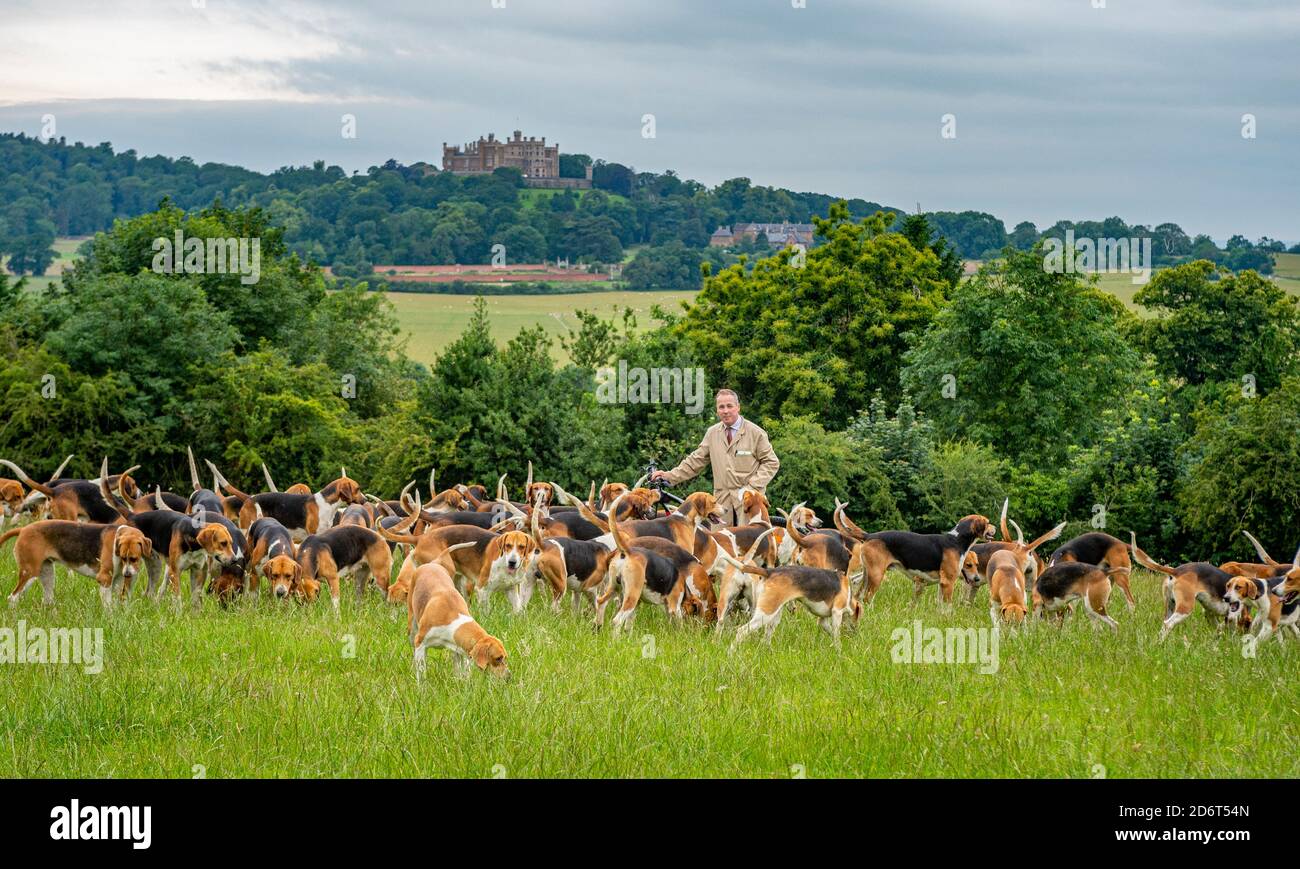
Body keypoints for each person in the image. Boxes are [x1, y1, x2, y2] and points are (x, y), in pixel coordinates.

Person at [650, 389, 780, 526]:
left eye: (729, 406)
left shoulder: (756, 433)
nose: (725, 411)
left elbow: (772, 463)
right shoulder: (712, 433)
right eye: (721, 407)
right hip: (722, 502)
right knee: (720, 544)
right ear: (717, 410)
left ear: (738, 407)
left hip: (750, 502)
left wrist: (752, 487)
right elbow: (695, 461)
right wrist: (669, 476)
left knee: (751, 543)